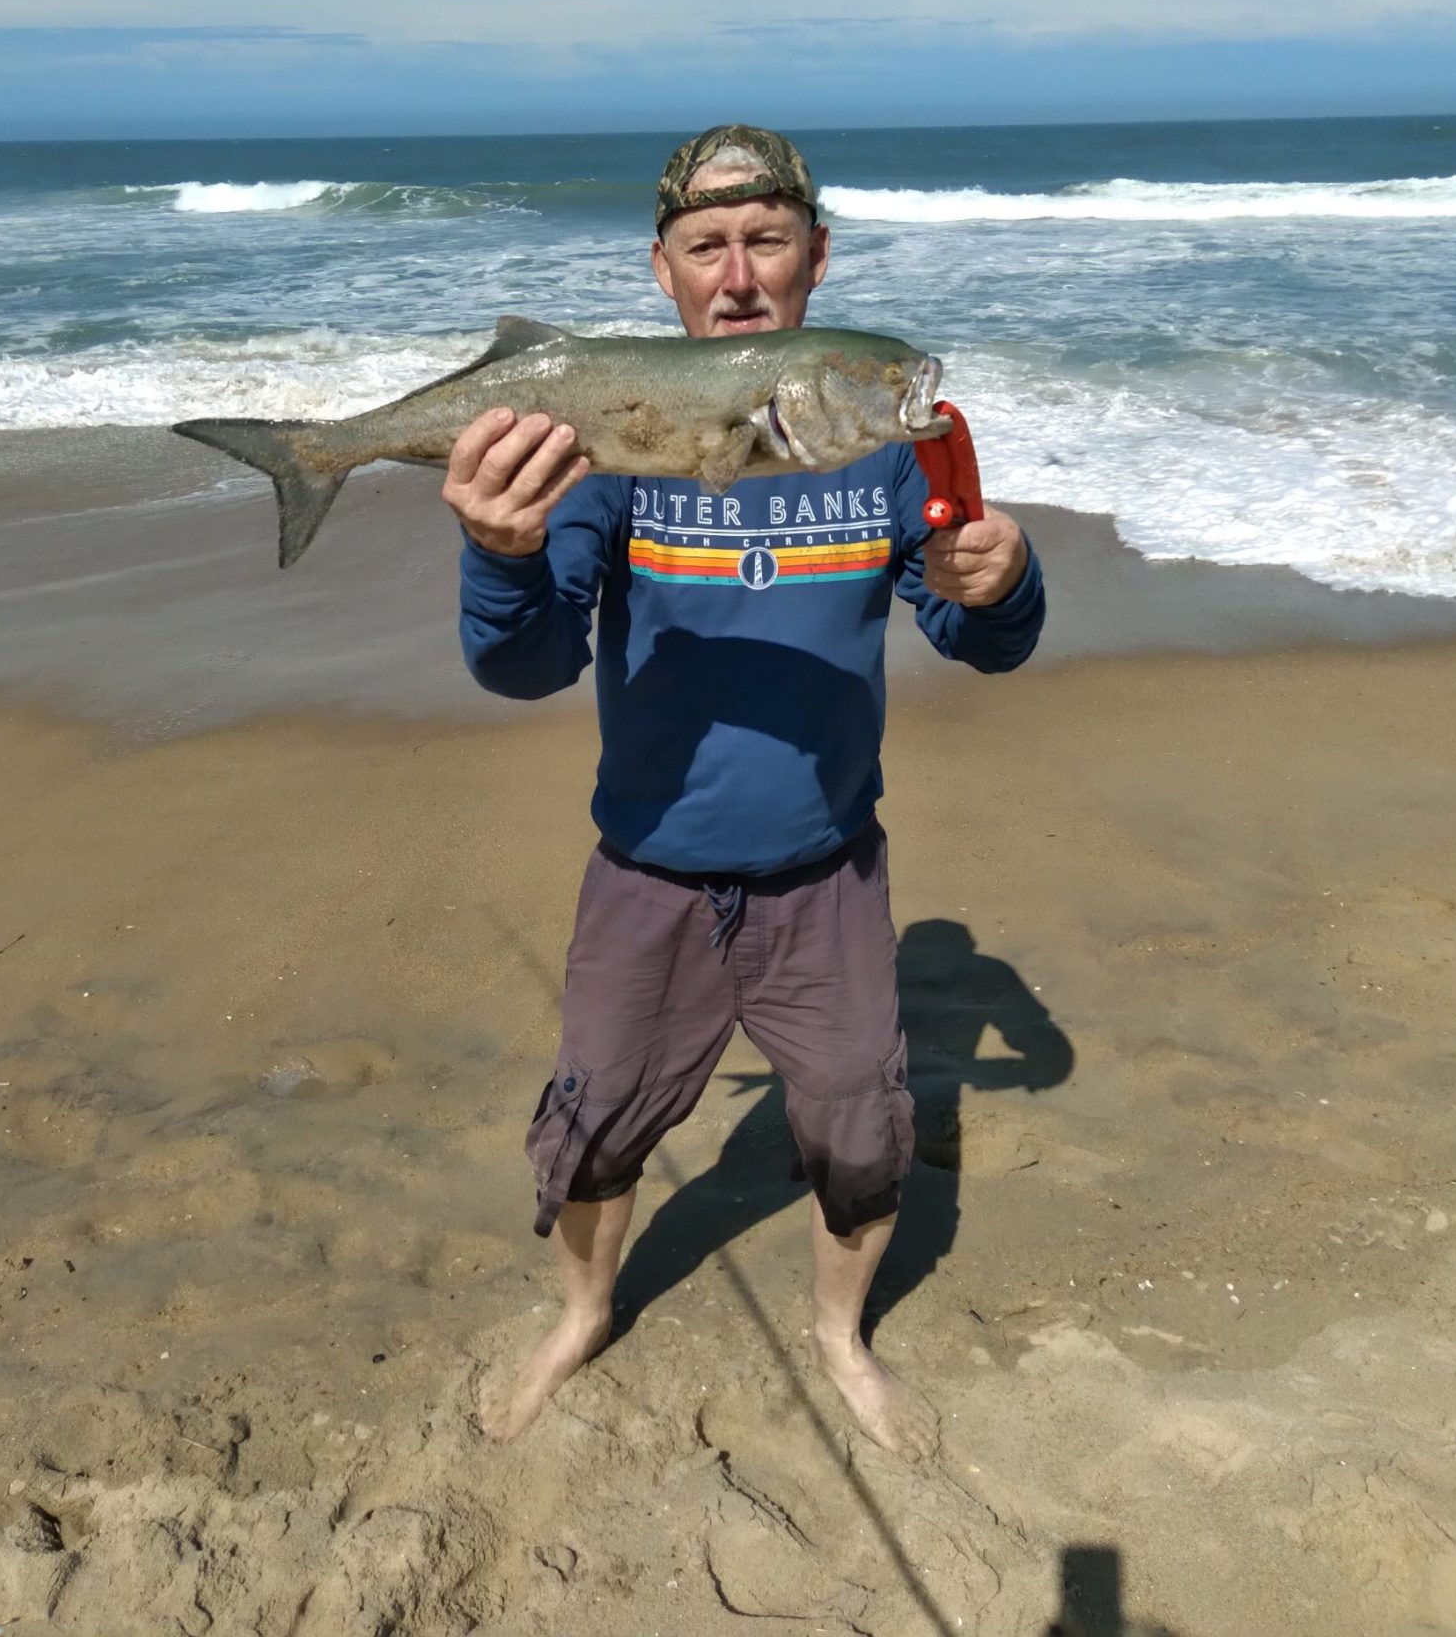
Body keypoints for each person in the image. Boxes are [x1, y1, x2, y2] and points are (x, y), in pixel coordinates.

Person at [443, 126, 1044, 1453]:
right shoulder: (605, 441)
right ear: (663, 271)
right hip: (644, 872)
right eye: (707, 247)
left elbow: (975, 634)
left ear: (814, 259)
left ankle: (839, 1336)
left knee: (857, 1131)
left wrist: (1003, 585)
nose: (738, 275)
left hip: (828, 878)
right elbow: (525, 664)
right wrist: (498, 555)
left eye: (766, 240)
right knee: (595, 1126)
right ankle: (584, 1312)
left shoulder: (893, 447)